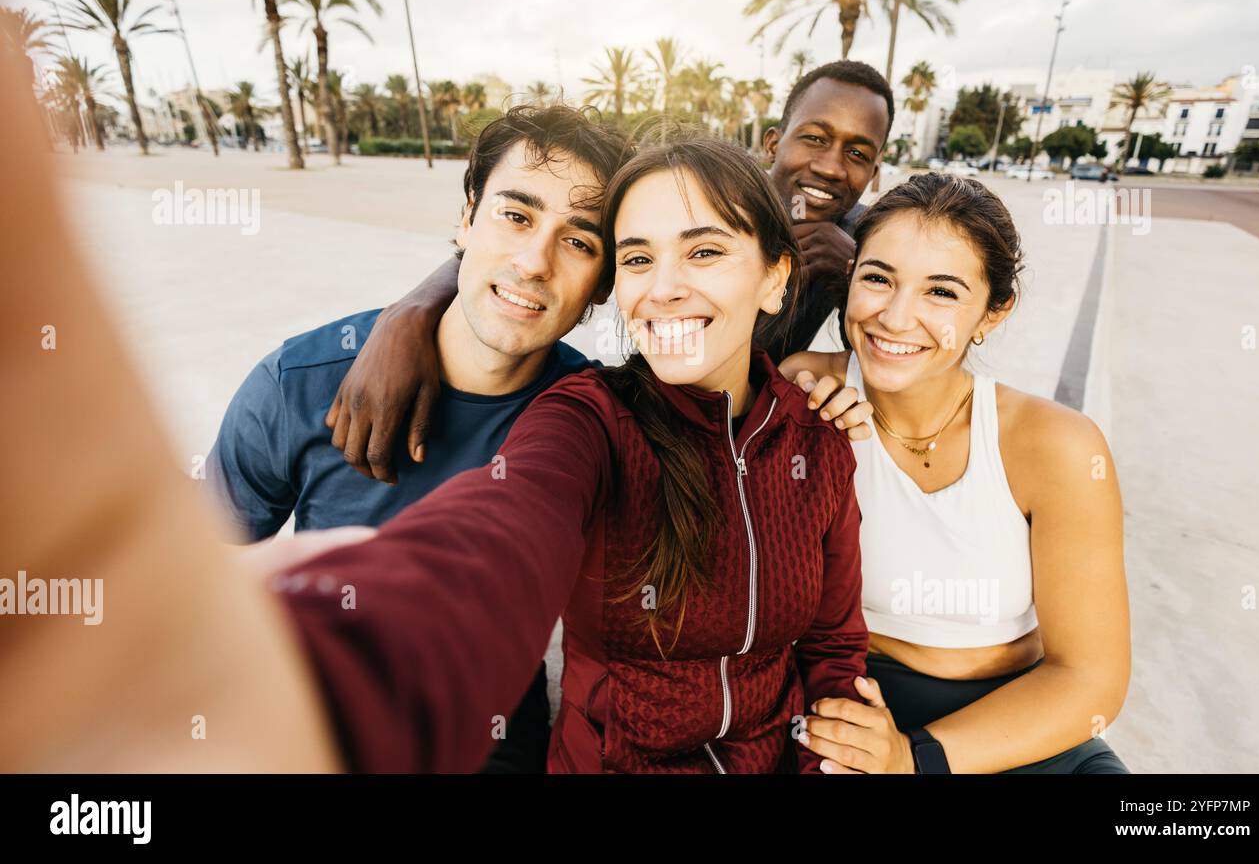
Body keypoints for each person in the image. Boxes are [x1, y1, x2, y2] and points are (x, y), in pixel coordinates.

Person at [280, 137, 874, 773]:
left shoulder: (817, 434)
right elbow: (507, 522)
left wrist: (831, 761)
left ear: (774, 278)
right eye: (639, 259)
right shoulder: (587, 418)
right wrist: (353, 649)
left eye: (704, 251)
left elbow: (833, 644)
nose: (665, 288)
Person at [205, 105, 629, 772]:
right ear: (466, 219)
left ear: (602, 283)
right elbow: (201, 578)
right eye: (515, 216)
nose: (534, 261)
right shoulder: (299, 382)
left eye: (579, 241)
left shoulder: (598, 420)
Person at [322, 60, 895, 484]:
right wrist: (406, 316)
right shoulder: (712, 192)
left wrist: (832, 337)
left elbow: (899, 335)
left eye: (858, 153)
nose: (828, 165)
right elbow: (529, 237)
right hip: (660, 420)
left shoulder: (862, 242)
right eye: (814, 139)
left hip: (755, 431)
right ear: (774, 141)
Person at [780, 173, 1131, 774]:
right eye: (878, 278)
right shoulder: (806, 390)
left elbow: (1089, 678)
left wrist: (914, 759)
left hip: (1012, 727)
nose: (895, 316)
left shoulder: (1058, 445)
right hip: (851, 710)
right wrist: (799, 438)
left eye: (940, 292)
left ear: (993, 312)